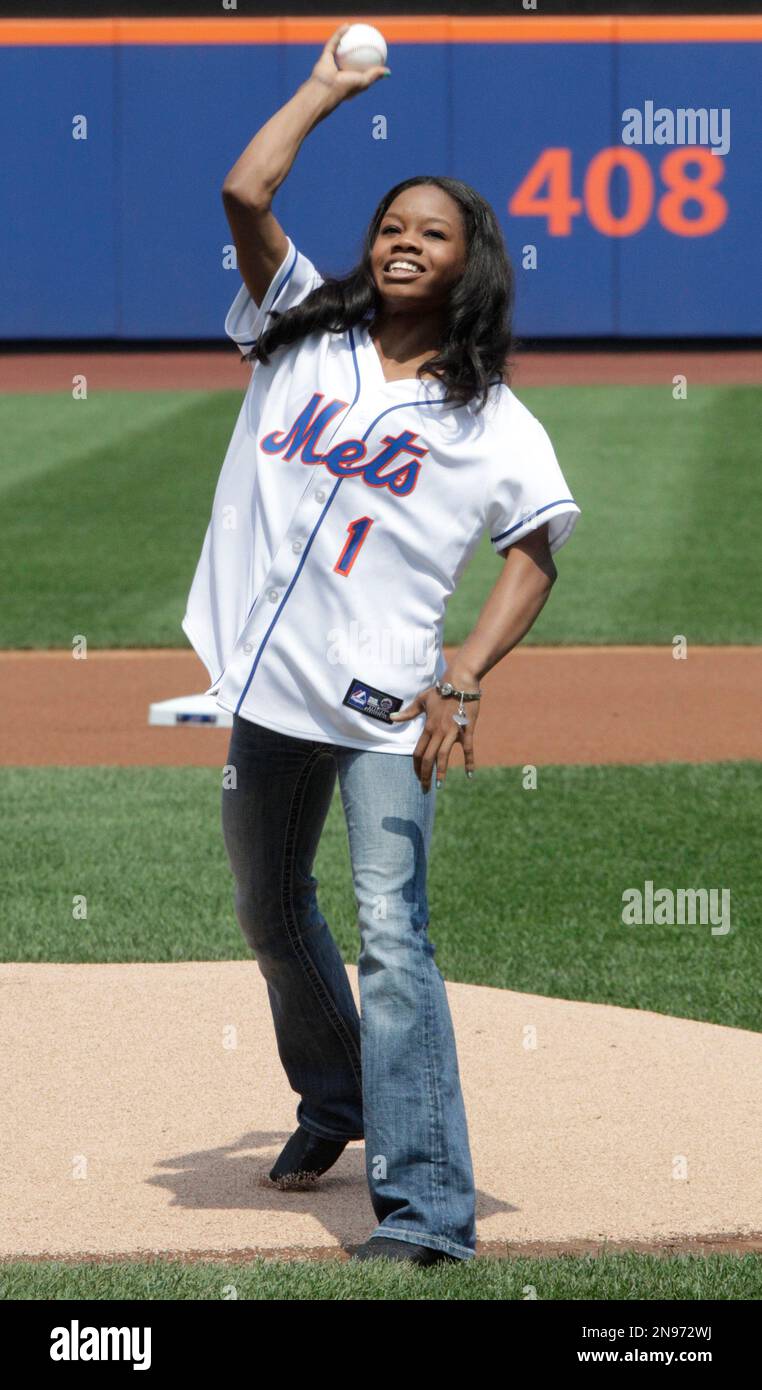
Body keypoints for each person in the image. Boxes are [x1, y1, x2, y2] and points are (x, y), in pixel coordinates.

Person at [182, 24, 581, 1267]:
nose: (406, 239)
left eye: (434, 232)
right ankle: (337, 1103)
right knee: (267, 908)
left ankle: (428, 1219)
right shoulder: (301, 325)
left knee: (394, 938)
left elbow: (535, 549)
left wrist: (466, 671)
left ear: (471, 269)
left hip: (383, 711)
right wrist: (326, 88)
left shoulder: (492, 418)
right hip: (267, 692)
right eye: (393, 224)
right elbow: (249, 189)